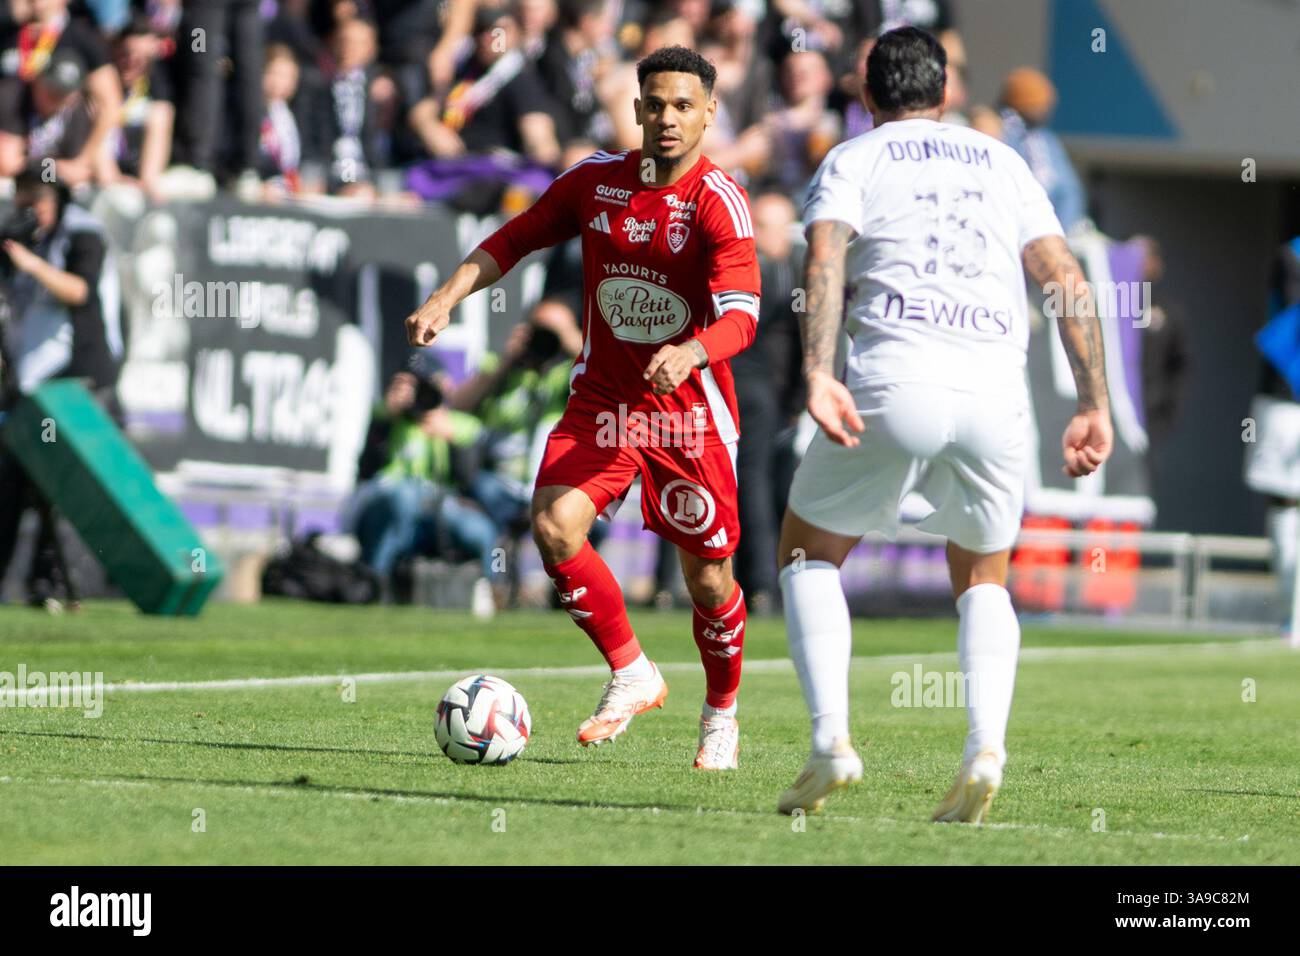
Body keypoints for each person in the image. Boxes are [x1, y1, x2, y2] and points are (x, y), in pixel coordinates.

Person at [774, 28, 1113, 821]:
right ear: (948, 92)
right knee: (983, 577)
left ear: (867, 97)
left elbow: (823, 260)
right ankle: (984, 749)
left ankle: (831, 740)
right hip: (997, 396)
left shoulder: (854, 158)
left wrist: (820, 373)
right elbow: (1065, 277)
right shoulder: (1005, 161)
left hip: (895, 383)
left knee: (806, 551)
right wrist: (1092, 400)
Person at [405, 46, 762, 770]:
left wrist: (693, 352)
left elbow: (744, 315)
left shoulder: (717, 201)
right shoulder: (596, 183)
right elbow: (516, 237)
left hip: (687, 413)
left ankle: (721, 713)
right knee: (554, 524)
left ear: (709, 113)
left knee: (708, 577)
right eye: (655, 103)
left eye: (684, 105)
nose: (668, 118)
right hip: (605, 399)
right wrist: (448, 294)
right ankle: (632, 671)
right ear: (636, 108)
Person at [0, 167, 120, 607]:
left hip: (75, 384)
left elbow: (79, 290)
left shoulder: (83, 234)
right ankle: (26, 583)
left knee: (65, 488)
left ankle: (59, 585)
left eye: (37, 204)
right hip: (28, 384)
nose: (29, 214)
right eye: (22, 203)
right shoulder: (18, 238)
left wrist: (30, 262)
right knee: (12, 482)